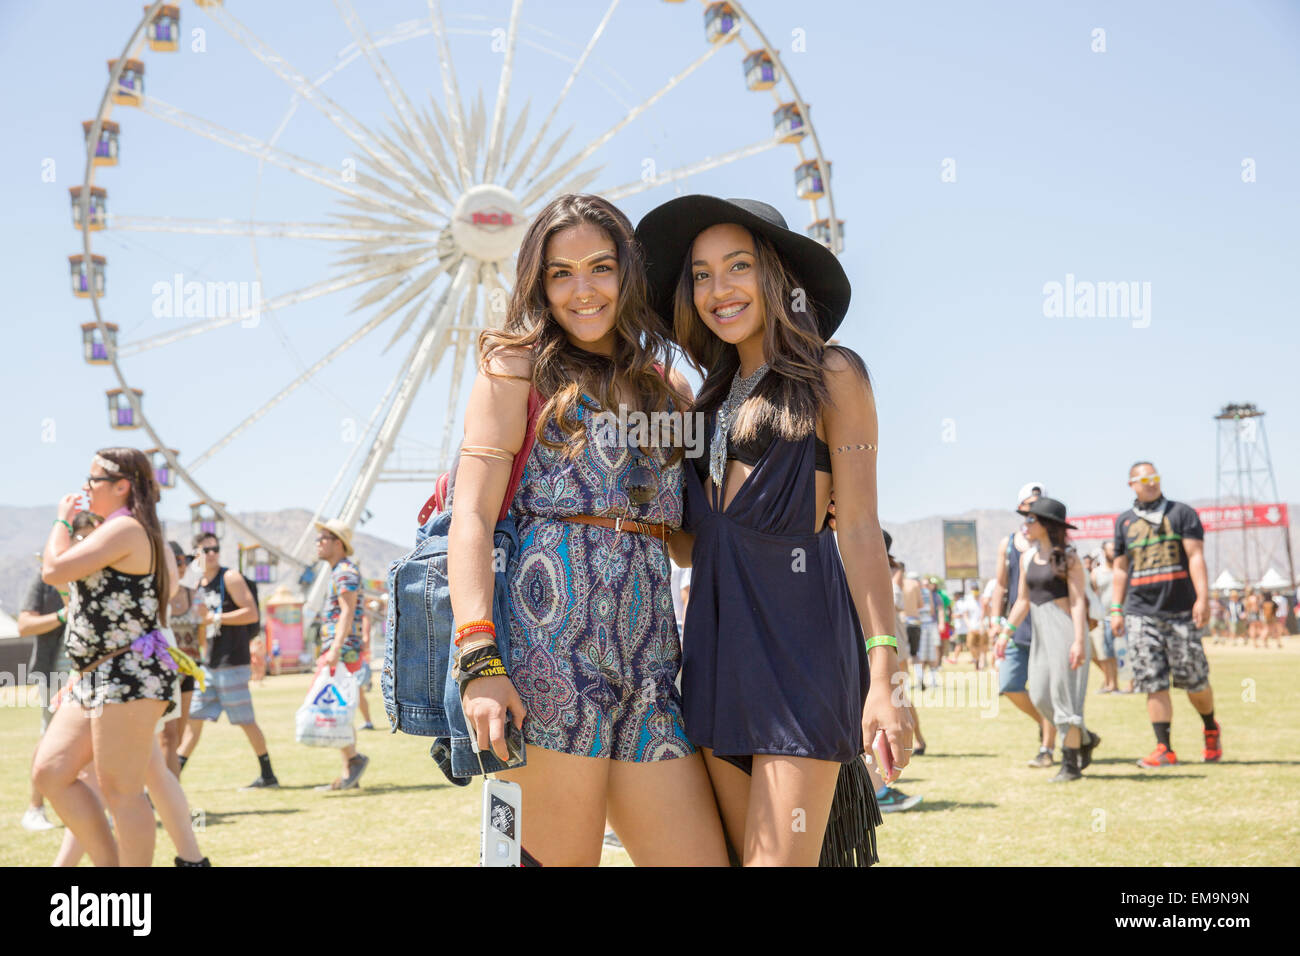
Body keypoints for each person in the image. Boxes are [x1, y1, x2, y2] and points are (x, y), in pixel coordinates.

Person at [449, 193, 728, 866]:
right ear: (539, 283)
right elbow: (473, 517)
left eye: (601, 267)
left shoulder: (669, 392)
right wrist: (479, 661)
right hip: (546, 663)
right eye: (560, 273)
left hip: (652, 665)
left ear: (628, 272)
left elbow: (689, 542)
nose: (583, 290)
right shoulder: (513, 367)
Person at [637, 194, 912, 865]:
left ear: (778, 278)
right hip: (714, 661)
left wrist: (886, 678)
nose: (717, 289)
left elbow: (860, 530)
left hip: (802, 659)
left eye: (736, 267)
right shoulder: (702, 405)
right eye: (700, 274)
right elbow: (689, 546)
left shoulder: (832, 375)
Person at [32, 447, 179, 866]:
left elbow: (54, 569)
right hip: (96, 673)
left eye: (93, 479)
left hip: (129, 674)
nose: (84, 488)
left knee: (121, 791)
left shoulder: (127, 530)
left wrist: (62, 519)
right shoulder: (114, 531)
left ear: (121, 486)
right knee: (50, 772)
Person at [1110, 462, 1221, 766]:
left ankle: (1210, 728)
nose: (1151, 483)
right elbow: (1119, 570)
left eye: (1155, 477)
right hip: (1140, 612)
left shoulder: (1181, 513)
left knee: (1195, 681)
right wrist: (1116, 609)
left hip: (1180, 610)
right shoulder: (1123, 523)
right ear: (1131, 483)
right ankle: (1164, 748)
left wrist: (1203, 598)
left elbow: (1195, 556)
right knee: (1152, 681)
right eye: (1144, 479)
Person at [999, 497, 1099, 782]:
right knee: (1042, 695)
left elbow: (1079, 602)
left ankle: (1070, 765)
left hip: (1066, 631)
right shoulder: (1027, 556)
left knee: (1065, 695)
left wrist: (1079, 640)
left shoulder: (1068, 557)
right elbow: (1022, 601)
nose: (1025, 525)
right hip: (1040, 632)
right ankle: (1085, 738)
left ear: (1047, 525)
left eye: (1031, 519)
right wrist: (1005, 633)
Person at [179, 531, 278, 789]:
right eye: (206, 549)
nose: (212, 554)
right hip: (208, 664)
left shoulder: (230, 577)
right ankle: (172, 777)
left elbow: (251, 613)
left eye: (216, 548)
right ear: (196, 554)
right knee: (193, 721)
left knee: (245, 720)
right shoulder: (198, 584)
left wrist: (216, 618)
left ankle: (268, 774)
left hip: (232, 661)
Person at [989, 482, 1058, 767]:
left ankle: (1048, 749)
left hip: (1047, 623)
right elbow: (1000, 586)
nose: (1034, 508)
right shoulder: (1008, 543)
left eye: (1039, 502)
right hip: (1017, 623)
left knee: (1047, 689)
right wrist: (996, 622)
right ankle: (1046, 722)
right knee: (1009, 684)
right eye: (1029, 504)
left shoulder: (1053, 544)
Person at [312, 518, 370, 789]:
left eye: (323, 538)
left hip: (343, 652)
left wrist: (334, 649)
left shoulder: (344, 572)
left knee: (333, 706)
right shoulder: (340, 571)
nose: (318, 543)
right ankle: (350, 772)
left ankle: (353, 760)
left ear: (339, 543)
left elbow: (347, 612)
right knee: (338, 706)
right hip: (341, 650)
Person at [17, 556, 69, 832]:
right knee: (50, 738)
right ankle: (35, 808)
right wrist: (63, 615)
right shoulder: (45, 579)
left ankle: (102, 806)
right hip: (54, 672)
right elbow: (24, 624)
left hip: (96, 673)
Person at [160, 541, 204, 776]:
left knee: (176, 736)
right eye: (176, 561)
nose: (182, 566)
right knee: (163, 736)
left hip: (188, 672)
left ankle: (171, 794)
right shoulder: (157, 596)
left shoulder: (193, 595)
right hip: (163, 672)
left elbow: (202, 633)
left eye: (184, 561)